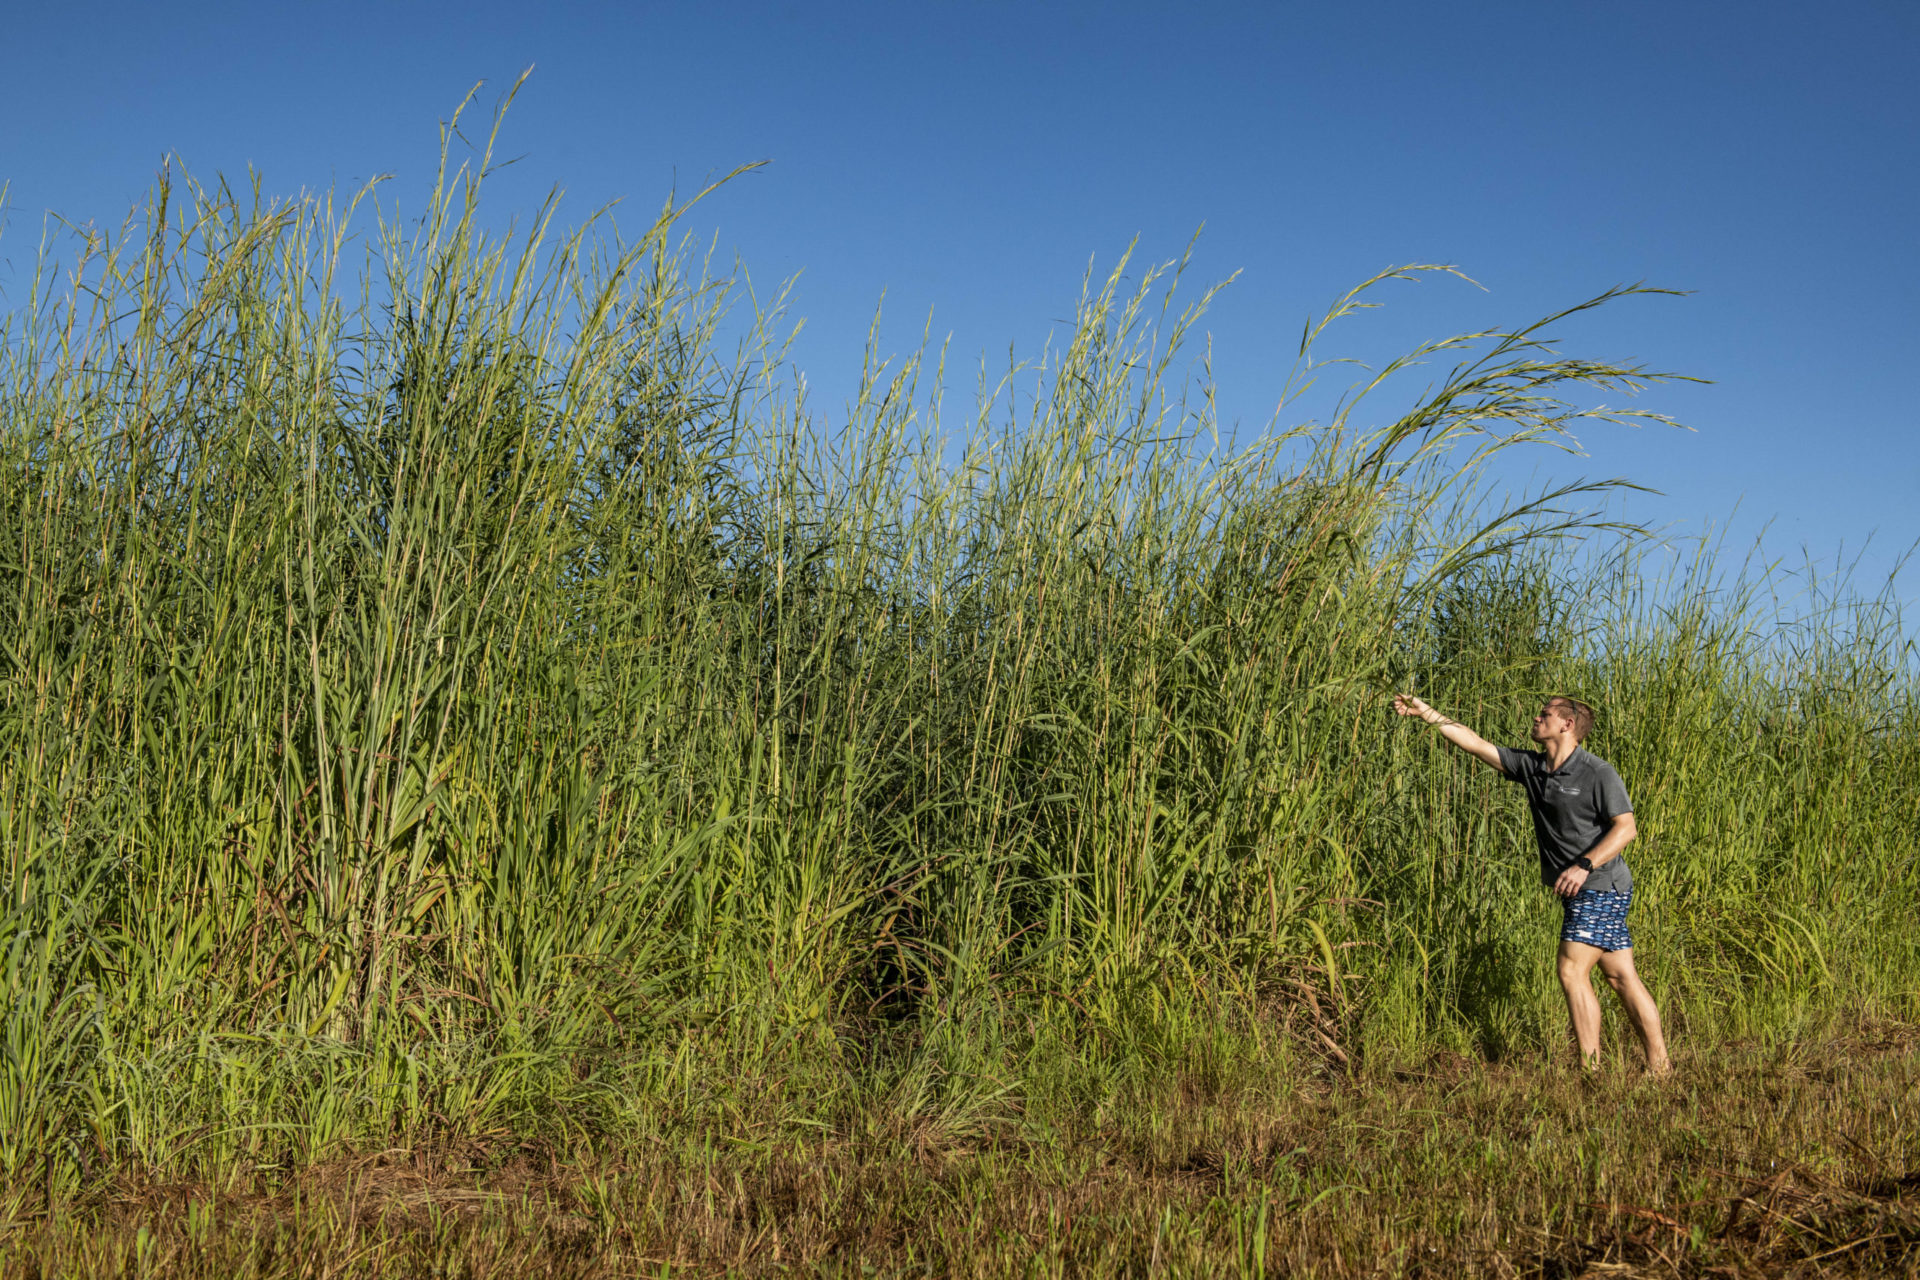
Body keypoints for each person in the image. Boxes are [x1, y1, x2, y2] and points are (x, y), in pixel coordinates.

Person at [1392, 693, 1670, 1074]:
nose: (1536, 717)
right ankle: (1661, 1067)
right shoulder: (1533, 767)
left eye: (1545, 714)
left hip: (1602, 884)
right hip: (1585, 890)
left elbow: (1627, 828)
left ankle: (1591, 1072)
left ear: (1566, 725)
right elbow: (1474, 742)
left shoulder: (1596, 772)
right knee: (1621, 976)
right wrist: (1425, 712)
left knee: (1572, 971)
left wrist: (1583, 865)